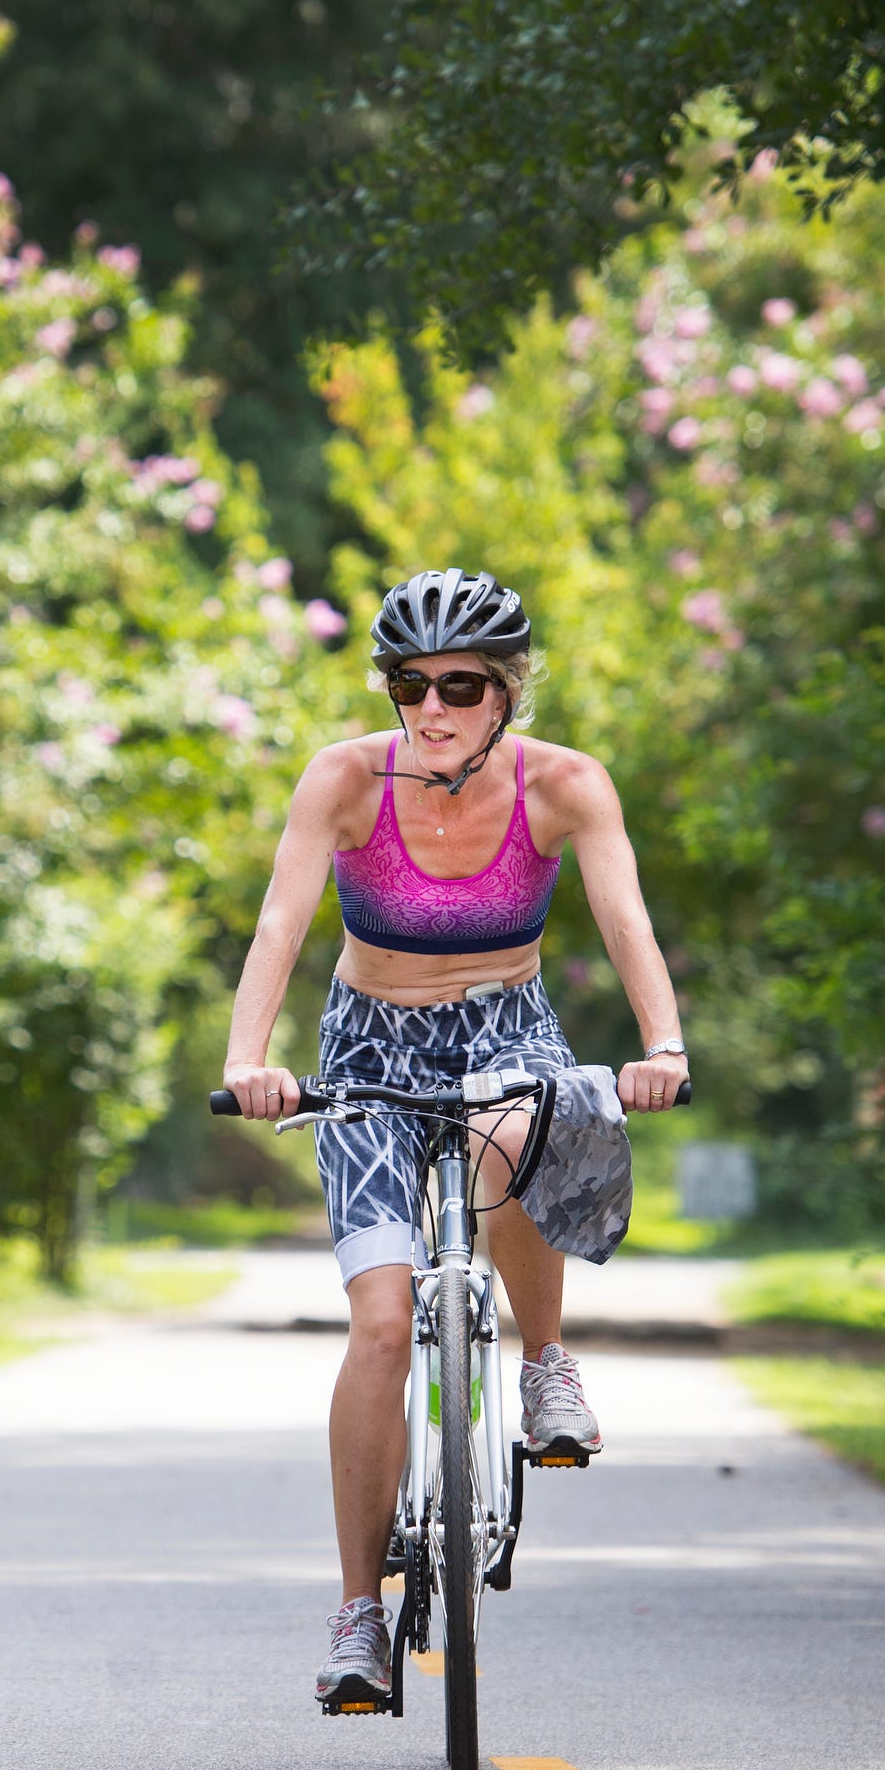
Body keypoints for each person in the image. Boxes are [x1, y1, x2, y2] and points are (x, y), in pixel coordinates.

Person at [218, 568, 691, 1711]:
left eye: (461, 686)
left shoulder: (566, 785)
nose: (431, 708)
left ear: (507, 692)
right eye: (408, 683)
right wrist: (250, 1059)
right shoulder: (342, 779)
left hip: (504, 1028)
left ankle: (542, 1361)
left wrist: (662, 1042)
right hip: (369, 1046)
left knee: (528, 1125)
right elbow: (282, 921)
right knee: (382, 1326)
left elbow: (626, 917)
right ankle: (356, 1613)